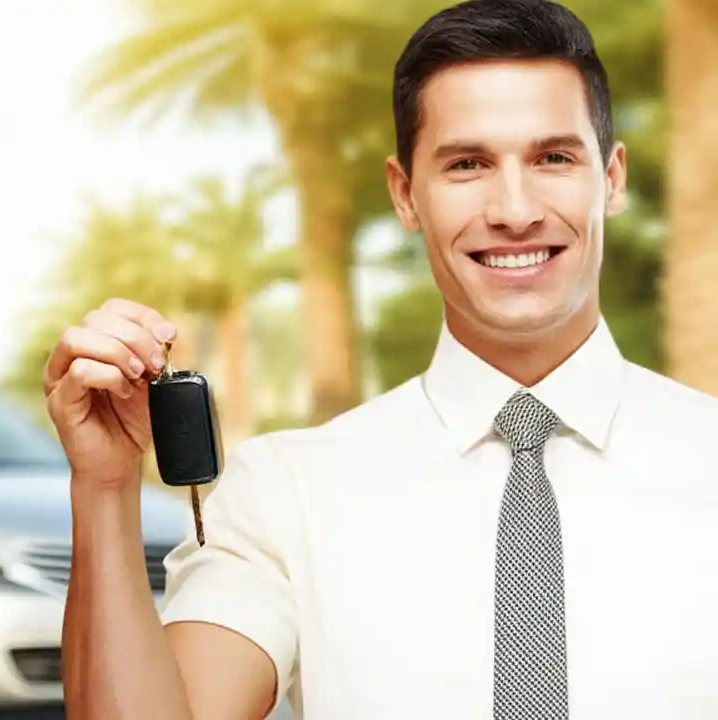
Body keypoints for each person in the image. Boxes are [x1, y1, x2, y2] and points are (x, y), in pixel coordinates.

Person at [43, 0, 718, 718]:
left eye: (553, 158)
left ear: (611, 179)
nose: (515, 209)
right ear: (405, 193)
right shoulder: (283, 494)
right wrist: (106, 491)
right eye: (468, 164)